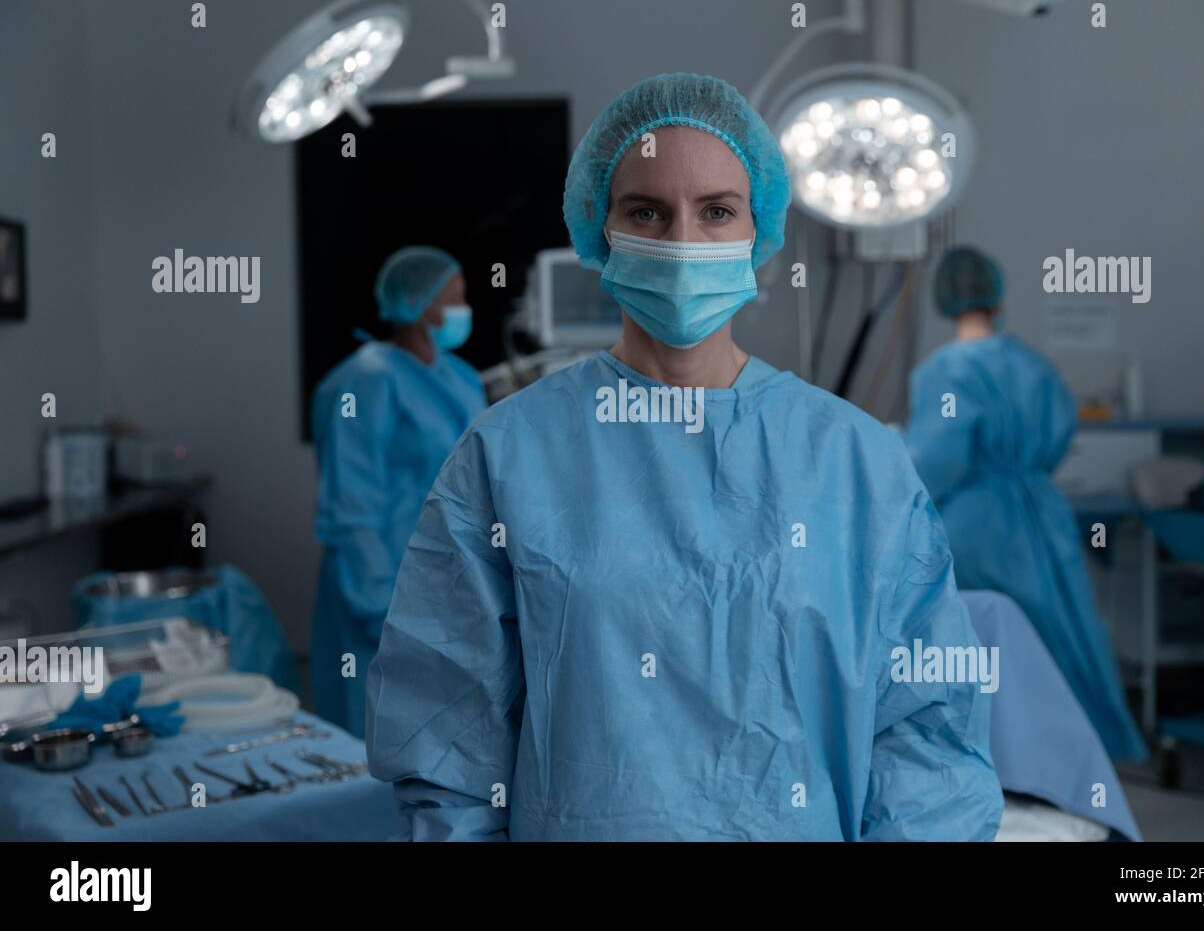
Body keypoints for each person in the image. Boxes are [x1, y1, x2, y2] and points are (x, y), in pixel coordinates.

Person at [367, 74, 1002, 841]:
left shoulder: (855, 462)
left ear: (758, 229)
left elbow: (926, 732)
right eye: (647, 212)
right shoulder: (507, 457)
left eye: (716, 212)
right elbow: (450, 745)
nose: (682, 242)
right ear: (600, 230)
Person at [905, 246, 1148, 764]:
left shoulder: (944, 372)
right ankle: (1077, 756)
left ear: (943, 298)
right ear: (996, 293)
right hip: (1042, 514)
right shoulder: (1033, 365)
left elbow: (937, 459)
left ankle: (1002, 760)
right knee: (1060, 634)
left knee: (982, 646)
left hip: (975, 523)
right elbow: (1059, 435)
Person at [311, 247, 486, 736]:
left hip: (446, 581)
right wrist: (377, 607)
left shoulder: (457, 376)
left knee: (443, 735)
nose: (460, 310)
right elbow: (352, 503)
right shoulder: (367, 382)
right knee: (372, 732)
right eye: (453, 299)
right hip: (379, 583)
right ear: (420, 304)